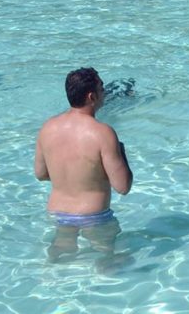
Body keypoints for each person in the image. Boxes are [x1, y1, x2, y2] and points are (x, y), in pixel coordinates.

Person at [34, 67, 132, 256]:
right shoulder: (102, 133)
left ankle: (50, 279)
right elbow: (122, 187)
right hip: (93, 215)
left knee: (60, 255)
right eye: (101, 88)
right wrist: (121, 152)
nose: (104, 92)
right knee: (107, 259)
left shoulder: (48, 127)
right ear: (91, 97)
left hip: (58, 213)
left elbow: (41, 174)